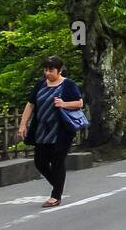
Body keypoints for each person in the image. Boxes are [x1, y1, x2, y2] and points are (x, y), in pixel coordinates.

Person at [17, 56, 84, 208]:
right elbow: (30, 105)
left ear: (59, 70)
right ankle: (58, 185)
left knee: (57, 161)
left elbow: (79, 103)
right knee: (40, 162)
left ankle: (56, 195)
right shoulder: (40, 84)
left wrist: (64, 104)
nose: (48, 73)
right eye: (46, 70)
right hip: (42, 128)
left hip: (61, 130)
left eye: (51, 70)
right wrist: (23, 124)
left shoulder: (68, 84)